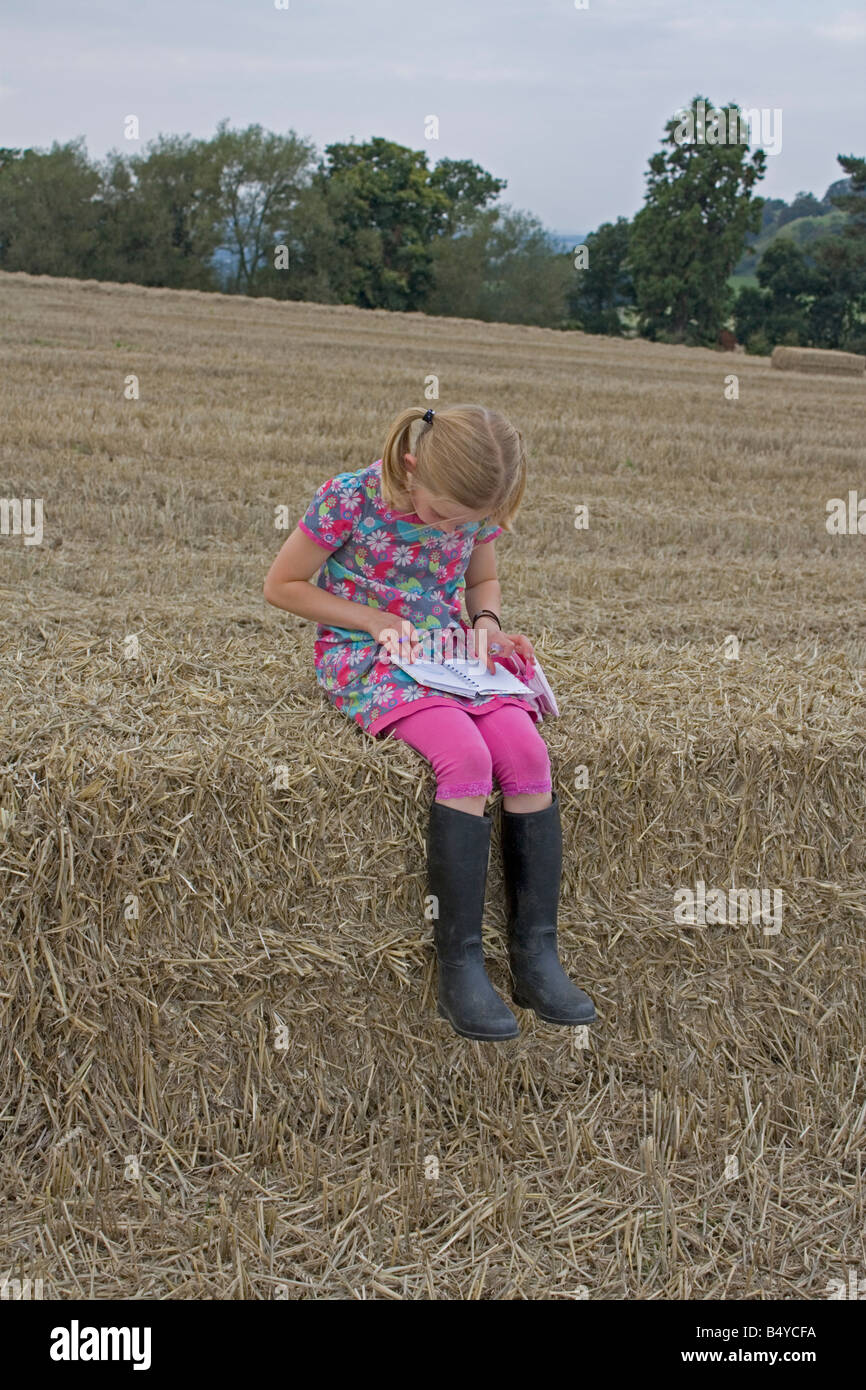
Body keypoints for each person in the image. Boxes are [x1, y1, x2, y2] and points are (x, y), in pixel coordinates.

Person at [263, 403, 597, 1041]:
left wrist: (488, 628)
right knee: (466, 761)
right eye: (443, 515)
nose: (451, 528)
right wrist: (372, 620)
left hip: (449, 654)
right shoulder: (349, 498)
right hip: (369, 653)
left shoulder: (473, 513)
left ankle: (535, 954)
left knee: (528, 757)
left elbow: (484, 581)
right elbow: (282, 585)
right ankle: (461, 965)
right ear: (410, 467)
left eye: (468, 523)